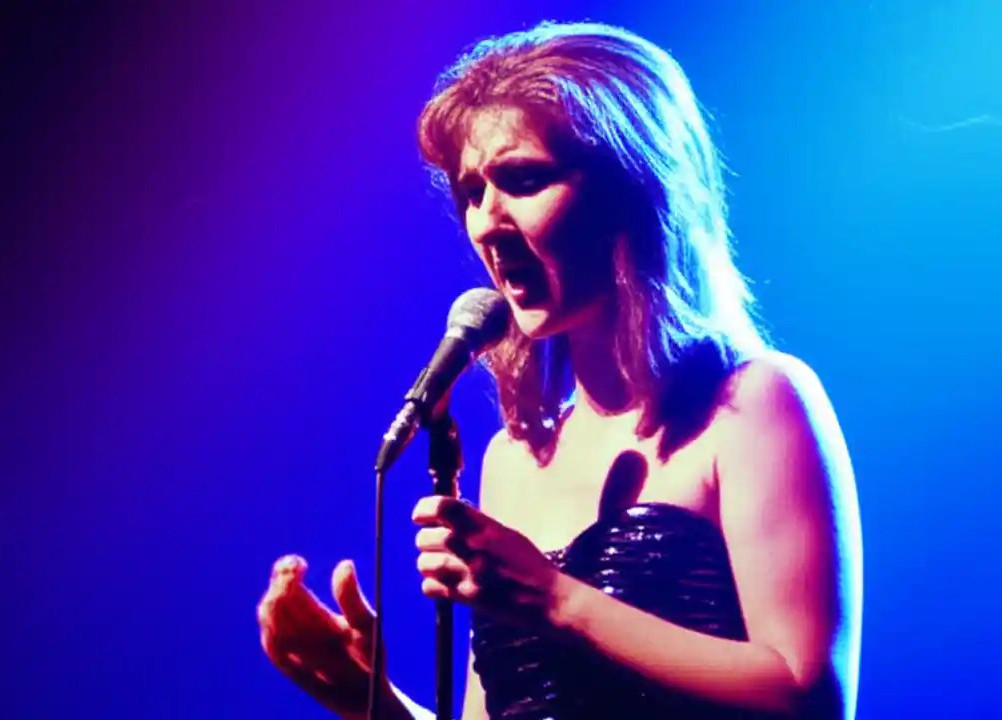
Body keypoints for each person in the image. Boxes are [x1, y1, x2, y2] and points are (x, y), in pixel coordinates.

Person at [257, 20, 862, 720]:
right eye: (470, 192)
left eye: (522, 179)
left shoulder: (753, 403)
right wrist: (372, 702)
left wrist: (554, 598)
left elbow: (808, 695)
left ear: (632, 189)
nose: (486, 221)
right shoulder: (512, 459)